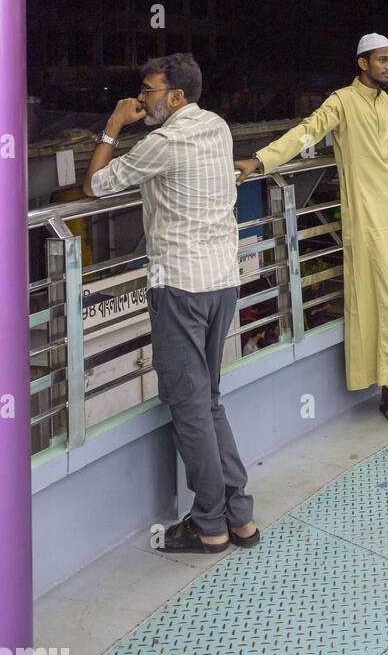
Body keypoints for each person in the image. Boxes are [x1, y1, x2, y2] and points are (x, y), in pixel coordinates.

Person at [82, 53, 259, 554]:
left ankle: (209, 525)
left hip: (179, 285)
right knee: (209, 400)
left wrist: (114, 125)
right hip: (222, 281)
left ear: (176, 97)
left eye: (149, 92)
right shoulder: (218, 127)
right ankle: (239, 517)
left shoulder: (163, 141)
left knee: (189, 407)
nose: (141, 99)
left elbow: (94, 185)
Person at [235, 34, 388, 428]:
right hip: (368, 218)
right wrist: (260, 160)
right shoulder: (341, 102)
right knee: (384, 299)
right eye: (381, 60)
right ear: (362, 63)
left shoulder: (384, 103)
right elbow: (306, 132)